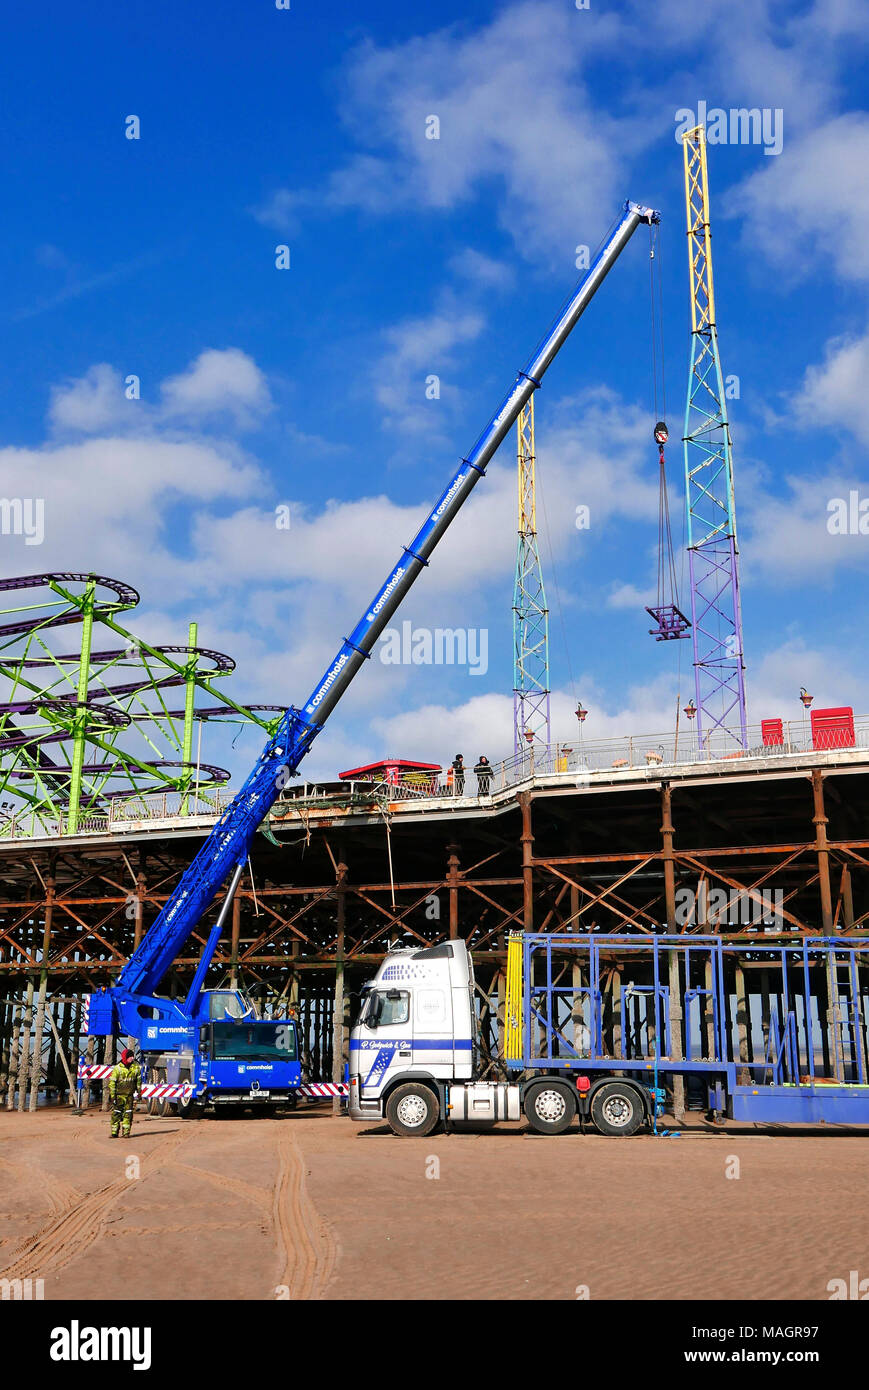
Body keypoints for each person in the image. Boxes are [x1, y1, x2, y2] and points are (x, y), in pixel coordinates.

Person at [109, 1047, 141, 1139]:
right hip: (119, 1096)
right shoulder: (118, 1068)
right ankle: (114, 1132)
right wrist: (113, 1096)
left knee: (128, 1114)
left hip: (129, 1095)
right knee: (116, 1114)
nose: (132, 1058)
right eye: (130, 1057)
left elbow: (138, 1081)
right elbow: (112, 1083)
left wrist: (139, 1092)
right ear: (125, 1057)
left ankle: (126, 1133)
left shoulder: (136, 1067)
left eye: (132, 1056)